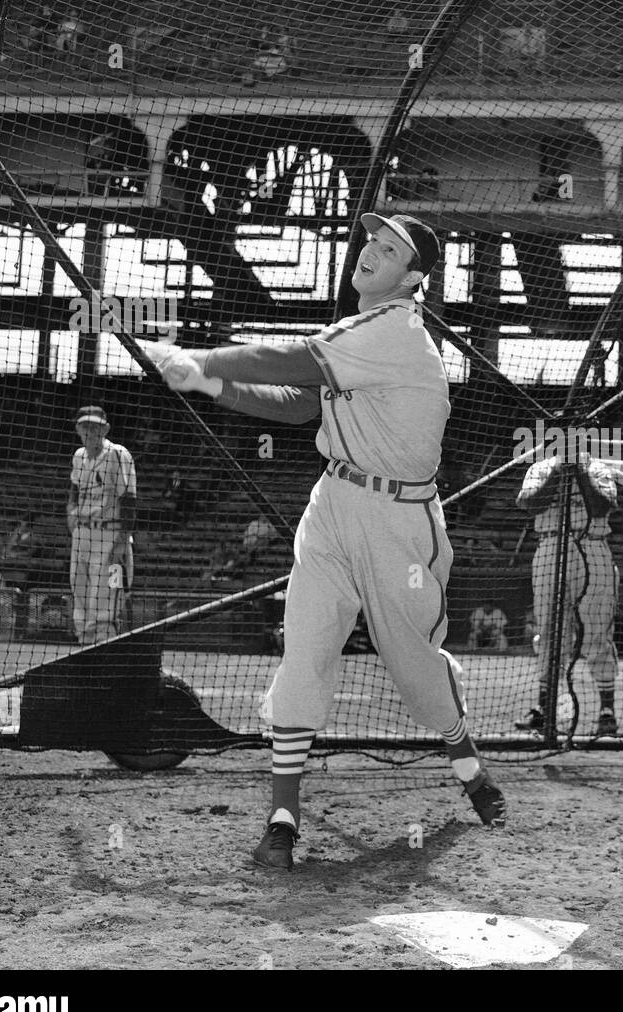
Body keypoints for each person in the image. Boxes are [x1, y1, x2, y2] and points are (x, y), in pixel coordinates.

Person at [152, 211, 505, 869]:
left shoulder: (396, 331)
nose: (371, 250)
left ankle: (468, 766)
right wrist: (207, 383)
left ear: (414, 278)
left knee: (415, 672)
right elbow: (296, 402)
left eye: (389, 247)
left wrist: (198, 356)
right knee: (305, 650)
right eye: (372, 239)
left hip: (399, 525)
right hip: (334, 504)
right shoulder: (358, 332)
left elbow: (290, 359)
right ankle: (282, 820)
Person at [513, 451, 623, 736]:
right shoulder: (541, 467)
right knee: (549, 631)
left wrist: (581, 472)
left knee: (597, 632)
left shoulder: (597, 469)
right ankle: (544, 709)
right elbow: (528, 502)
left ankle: (606, 711)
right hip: (550, 545)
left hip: (593, 545)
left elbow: (601, 507)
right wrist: (561, 470)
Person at [67, 406, 136, 645]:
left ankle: (105, 647)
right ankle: (84, 644)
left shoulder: (118, 454)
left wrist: (122, 540)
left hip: (110, 532)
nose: (90, 432)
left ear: (105, 429)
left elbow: (128, 499)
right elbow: (74, 488)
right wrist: (71, 513)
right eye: (85, 427)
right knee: (80, 589)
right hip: (83, 532)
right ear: (78, 429)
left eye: (95, 427)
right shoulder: (78, 455)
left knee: (106, 593)